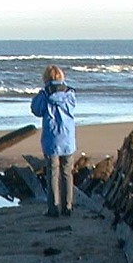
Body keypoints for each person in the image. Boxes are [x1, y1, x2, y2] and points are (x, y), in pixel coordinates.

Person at [30, 65, 77, 216]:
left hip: (52, 138)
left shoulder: (45, 95)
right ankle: (68, 206)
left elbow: (36, 110)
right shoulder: (70, 93)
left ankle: (54, 207)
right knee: (67, 173)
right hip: (67, 138)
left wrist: (38, 96)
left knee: (53, 173)